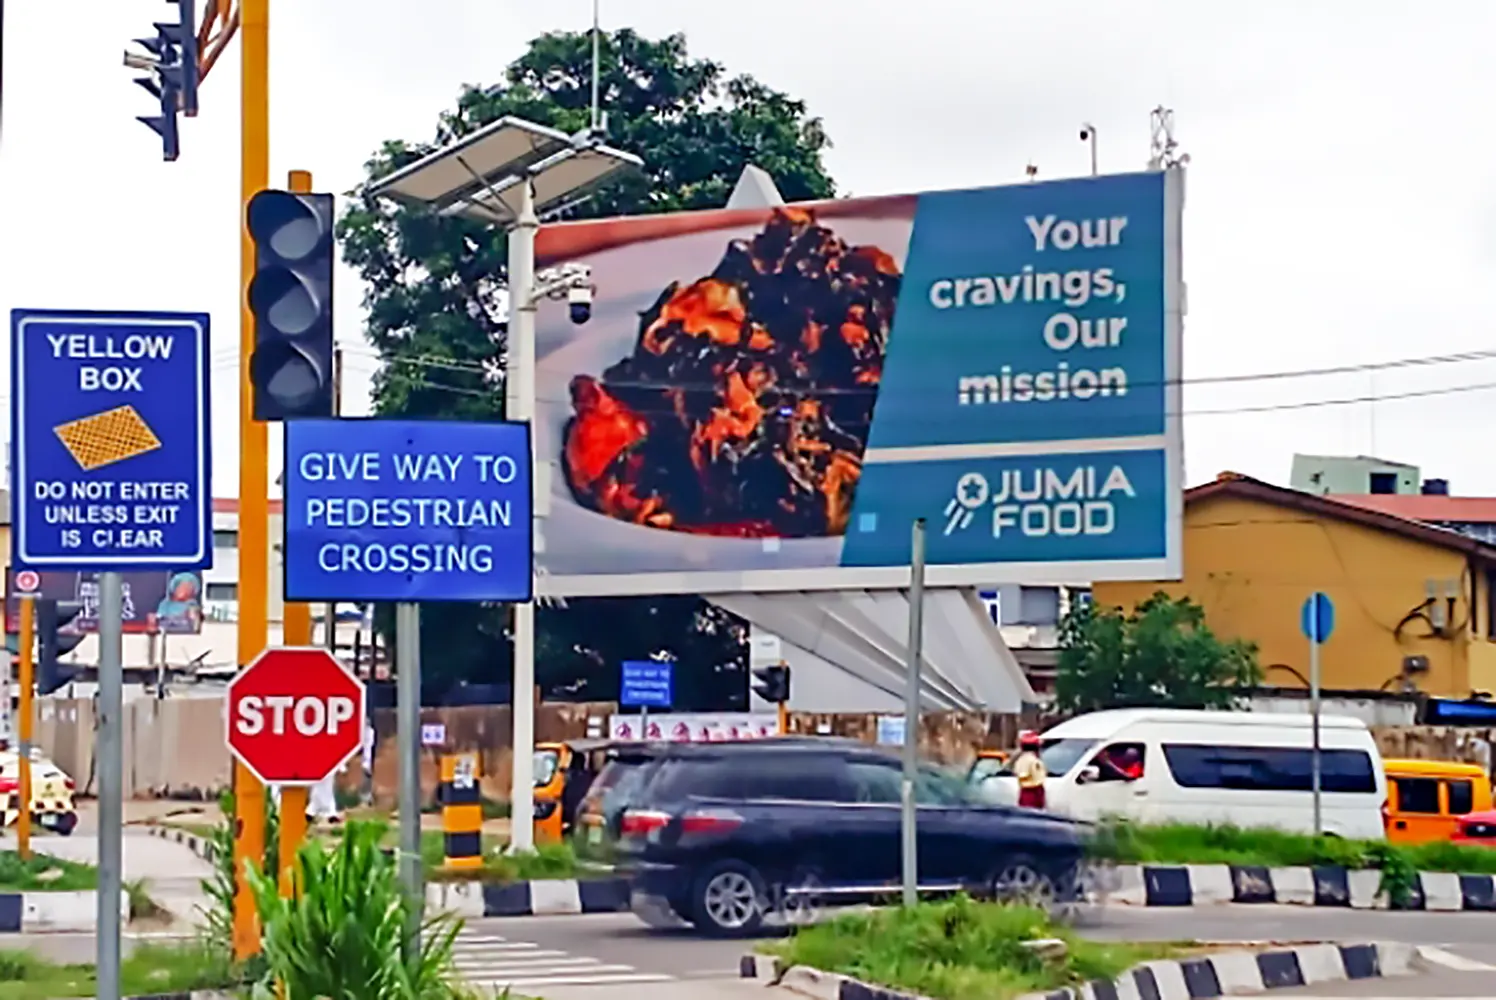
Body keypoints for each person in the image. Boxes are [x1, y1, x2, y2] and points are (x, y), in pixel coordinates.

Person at [1011, 731, 1047, 809]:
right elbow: (1039, 780)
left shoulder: (1020, 760)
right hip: (1034, 794)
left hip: (1023, 792)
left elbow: (1018, 774)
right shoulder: (1034, 761)